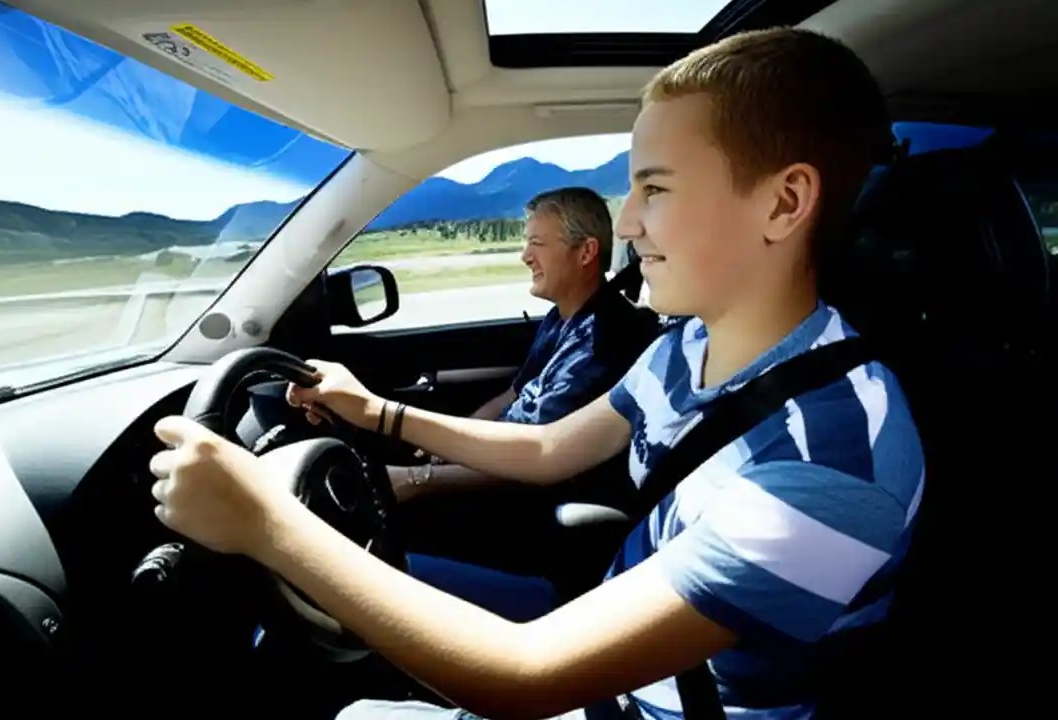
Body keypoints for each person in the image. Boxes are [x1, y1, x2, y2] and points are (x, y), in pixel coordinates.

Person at [146, 27, 924, 720]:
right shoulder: (689, 346)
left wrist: (265, 523)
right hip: (614, 624)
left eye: (656, 187)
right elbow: (548, 449)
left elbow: (529, 679)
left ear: (784, 204)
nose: (624, 223)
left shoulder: (835, 471)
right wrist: (377, 411)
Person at [389, 187, 658, 503]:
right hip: (501, 459)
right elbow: (512, 394)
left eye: (537, 243)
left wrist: (414, 479)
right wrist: (448, 446)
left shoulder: (604, 342)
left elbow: (537, 458)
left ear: (585, 253)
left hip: (530, 493)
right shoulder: (561, 318)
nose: (525, 256)